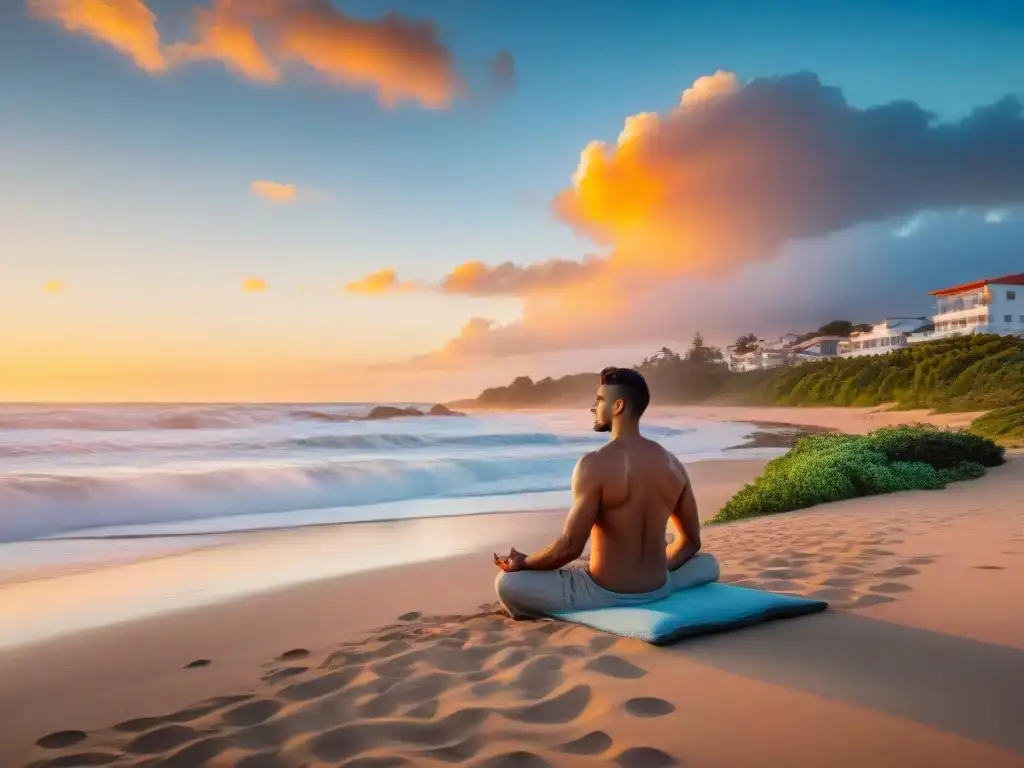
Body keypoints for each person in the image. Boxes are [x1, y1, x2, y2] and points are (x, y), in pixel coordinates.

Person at [493, 366, 719, 619]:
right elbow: (690, 542)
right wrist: (657, 572)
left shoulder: (594, 464)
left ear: (618, 406)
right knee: (707, 563)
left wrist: (524, 563)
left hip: (605, 592)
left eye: (600, 400)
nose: (593, 407)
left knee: (507, 583)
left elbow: (570, 547)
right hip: (659, 586)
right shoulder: (673, 464)